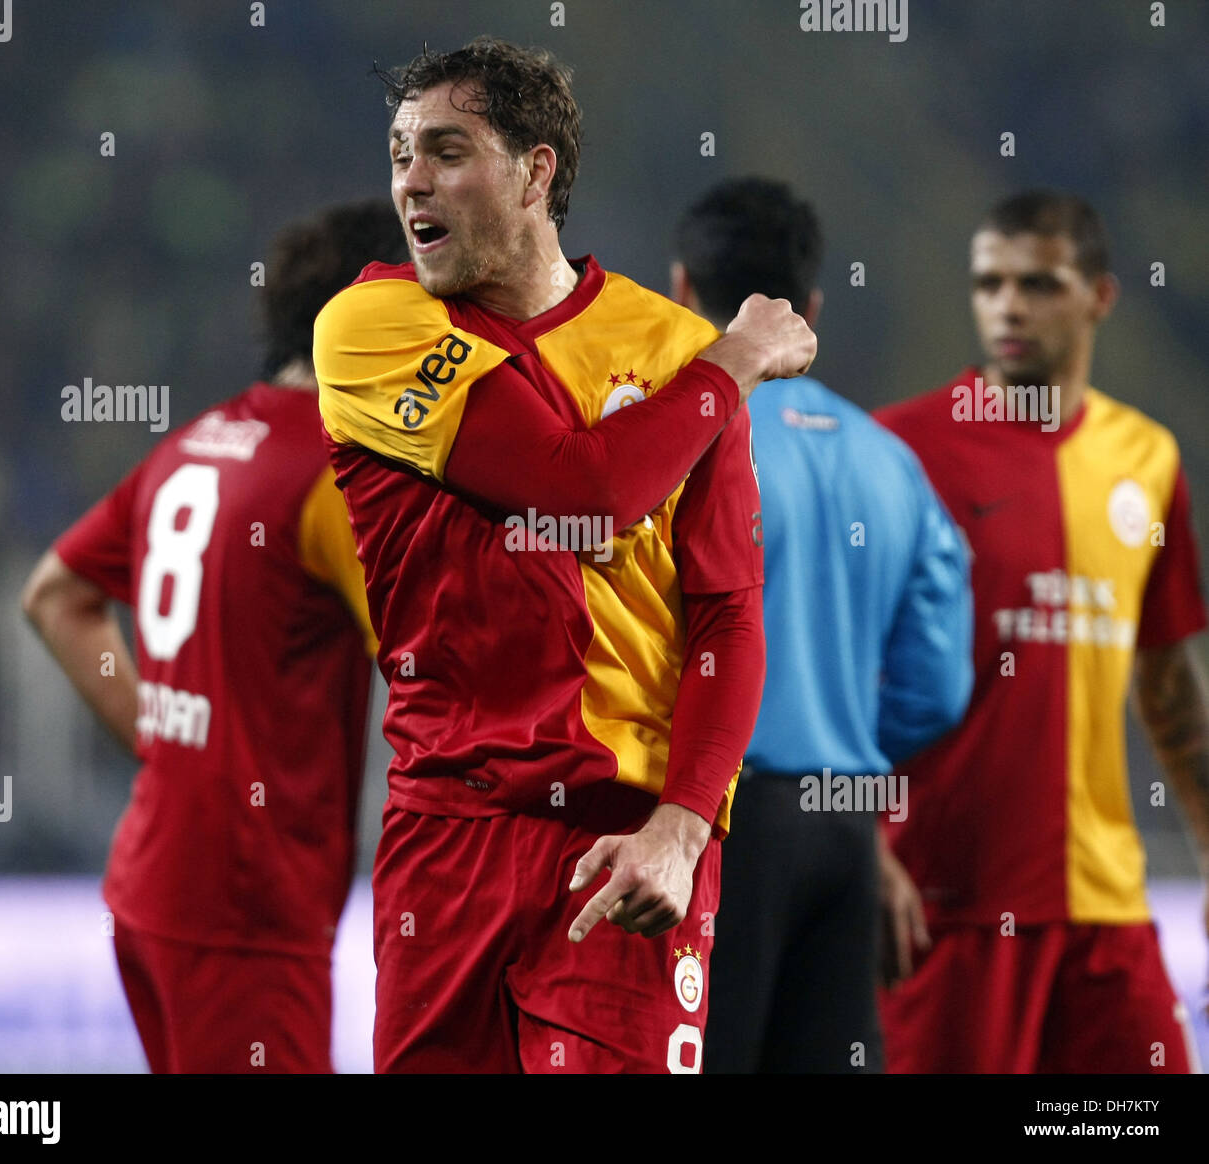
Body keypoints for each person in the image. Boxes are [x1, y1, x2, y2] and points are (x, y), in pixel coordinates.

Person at [313, 37, 816, 1074]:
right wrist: (740, 357)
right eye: (400, 152)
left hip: (621, 843)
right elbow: (581, 489)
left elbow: (728, 615)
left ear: (535, 172)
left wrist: (684, 830)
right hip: (441, 838)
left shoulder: (671, 351)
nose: (411, 179)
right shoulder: (371, 325)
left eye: (447, 151)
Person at [20, 200, 405, 1073]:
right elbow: (433, 671)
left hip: (156, 885)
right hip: (247, 911)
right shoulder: (337, 473)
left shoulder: (195, 443)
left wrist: (165, 735)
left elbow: (55, 595)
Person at [874, 188, 1209, 1073]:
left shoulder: (1149, 459)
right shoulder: (902, 450)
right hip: (950, 908)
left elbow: (1168, 684)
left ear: (1100, 296)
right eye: (989, 283)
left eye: (1038, 284)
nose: (1008, 306)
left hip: (1106, 910)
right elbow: (830, 667)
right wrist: (861, 844)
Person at [670, 176, 973, 1073]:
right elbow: (939, 683)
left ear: (681, 288)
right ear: (810, 305)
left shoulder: (679, 436)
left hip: (718, 821)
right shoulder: (891, 463)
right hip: (845, 825)